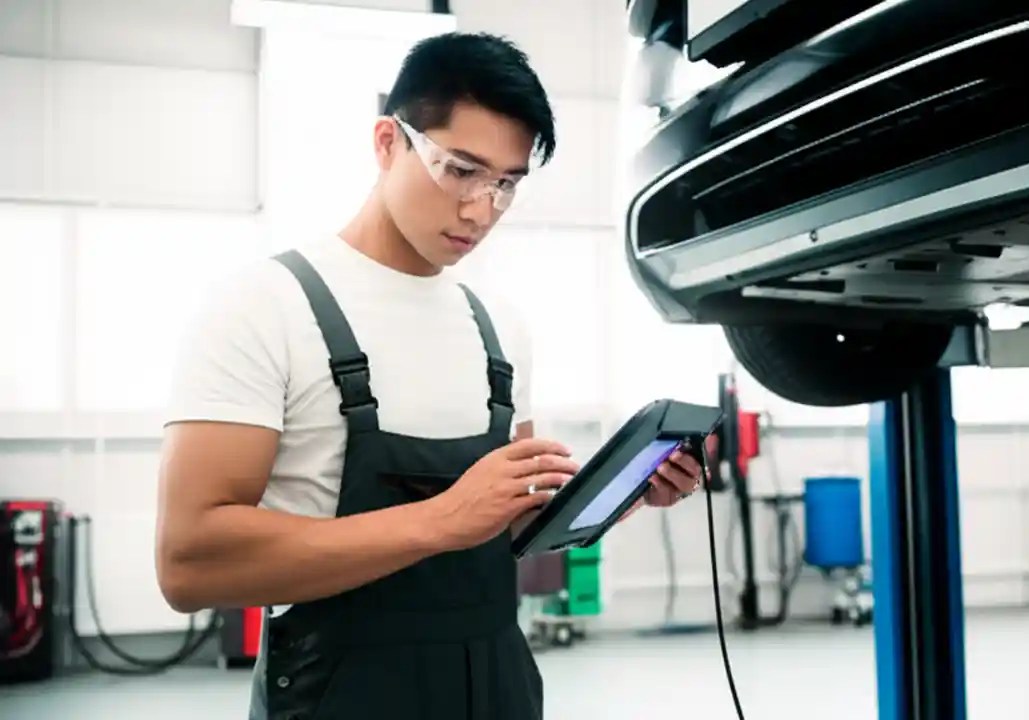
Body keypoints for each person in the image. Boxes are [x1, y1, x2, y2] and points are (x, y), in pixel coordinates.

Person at [153, 32, 706, 719]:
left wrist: (617, 496)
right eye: (460, 170)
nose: (482, 209)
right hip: (344, 694)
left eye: (506, 184)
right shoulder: (262, 306)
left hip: (497, 685)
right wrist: (442, 518)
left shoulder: (499, 329)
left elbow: (507, 526)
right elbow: (189, 563)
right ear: (388, 142)